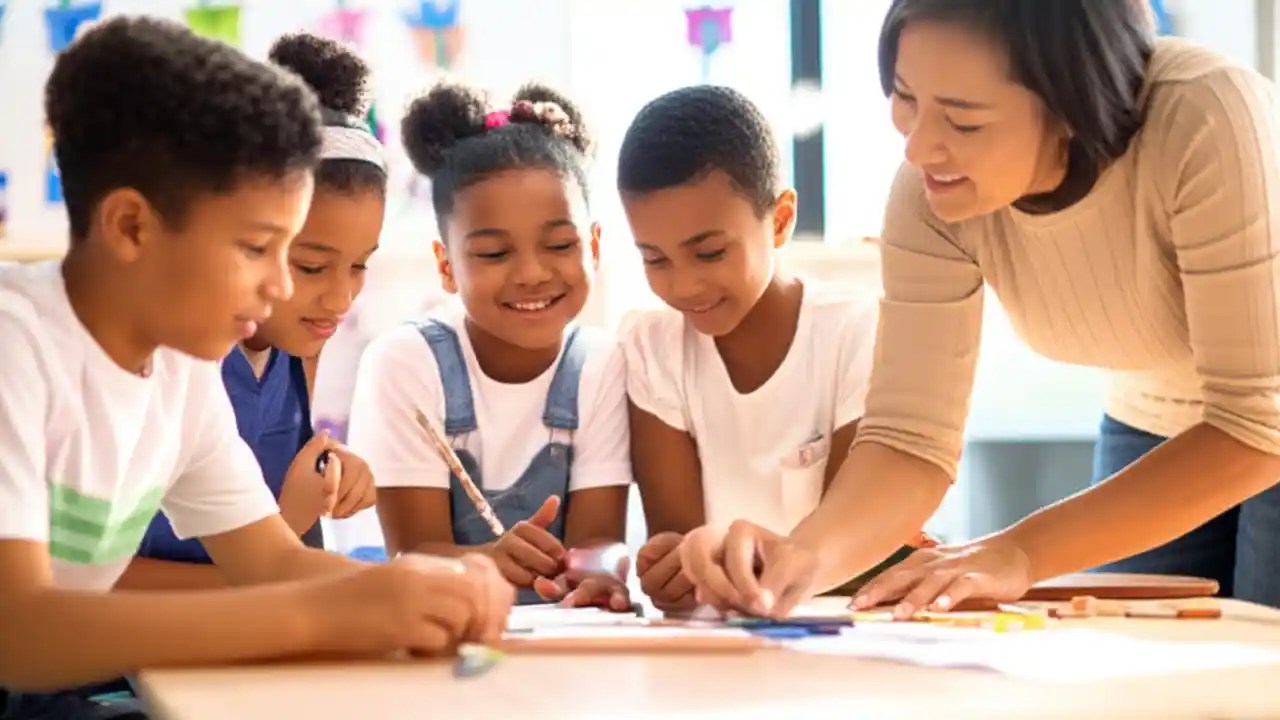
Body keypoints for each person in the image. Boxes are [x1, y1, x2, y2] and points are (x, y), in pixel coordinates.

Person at [680, 0, 1280, 617]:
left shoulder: (1208, 116)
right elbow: (910, 440)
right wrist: (800, 556)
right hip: (1151, 410)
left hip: (1266, 415)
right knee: (1150, 656)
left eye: (963, 121)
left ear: (1069, 107)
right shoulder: (930, 197)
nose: (919, 149)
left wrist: (1019, 550)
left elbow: (1257, 422)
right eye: (906, 98)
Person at [0, 16, 510, 704]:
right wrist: (328, 614)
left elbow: (270, 561)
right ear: (131, 225)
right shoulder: (16, 344)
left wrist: (427, 590)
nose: (278, 286)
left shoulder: (179, 373)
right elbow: (16, 631)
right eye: (257, 248)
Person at [614, 86, 900, 613]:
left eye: (709, 253)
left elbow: (852, 551)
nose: (684, 285)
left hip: (842, 625)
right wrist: (672, 569)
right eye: (655, 259)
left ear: (781, 220)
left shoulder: (856, 332)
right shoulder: (652, 348)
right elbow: (681, 549)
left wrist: (715, 560)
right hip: (726, 637)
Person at [348, 81, 632, 607]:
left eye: (560, 244)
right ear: (446, 266)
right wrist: (486, 560)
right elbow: (412, 553)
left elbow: (598, 541)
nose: (531, 273)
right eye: (494, 254)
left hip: (562, 638)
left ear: (593, 246)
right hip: (441, 628)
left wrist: (597, 575)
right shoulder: (405, 363)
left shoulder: (602, 363)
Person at [122, 32, 385, 589]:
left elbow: (274, 510)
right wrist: (284, 526)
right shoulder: (155, 362)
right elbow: (95, 585)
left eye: (360, 265)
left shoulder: (296, 342)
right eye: (312, 267)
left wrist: (328, 470)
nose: (340, 298)